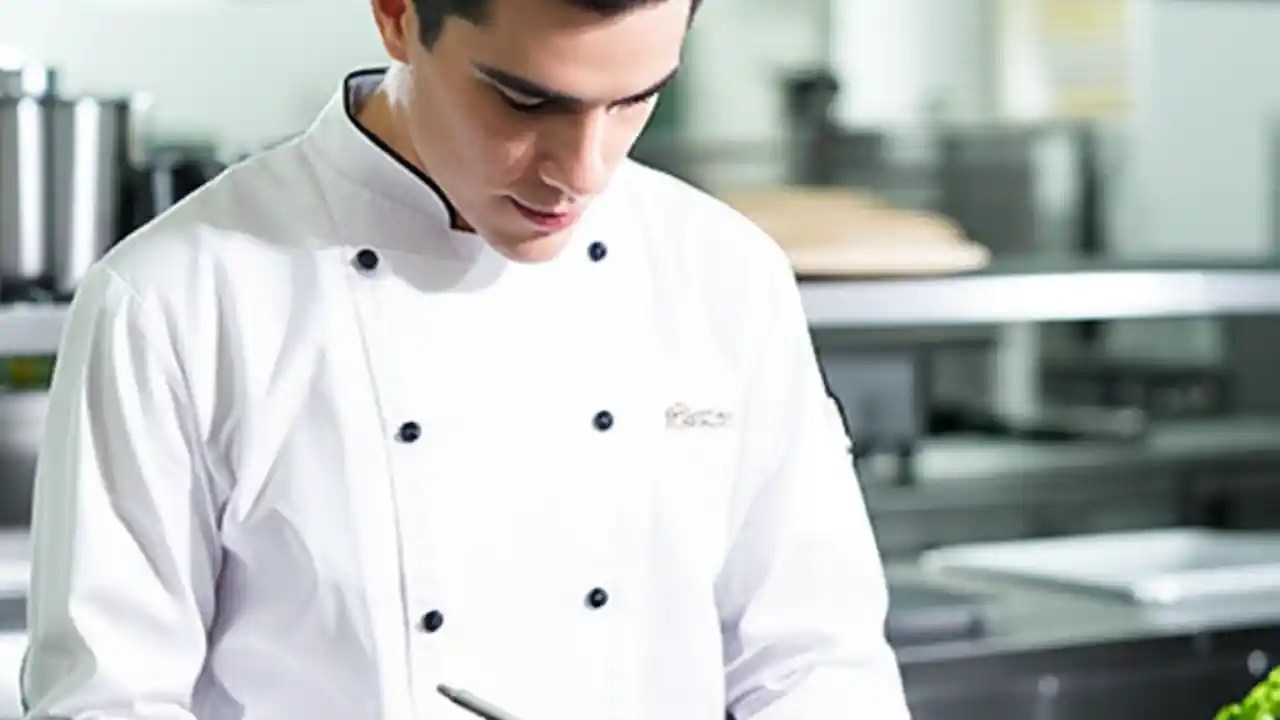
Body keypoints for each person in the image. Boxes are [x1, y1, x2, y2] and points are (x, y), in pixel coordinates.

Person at [20, 0, 910, 717]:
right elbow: (110, 698)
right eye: (526, 102)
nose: (583, 171)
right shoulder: (177, 297)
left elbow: (816, 663)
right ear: (397, 15)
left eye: (636, 100)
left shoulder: (723, 273)